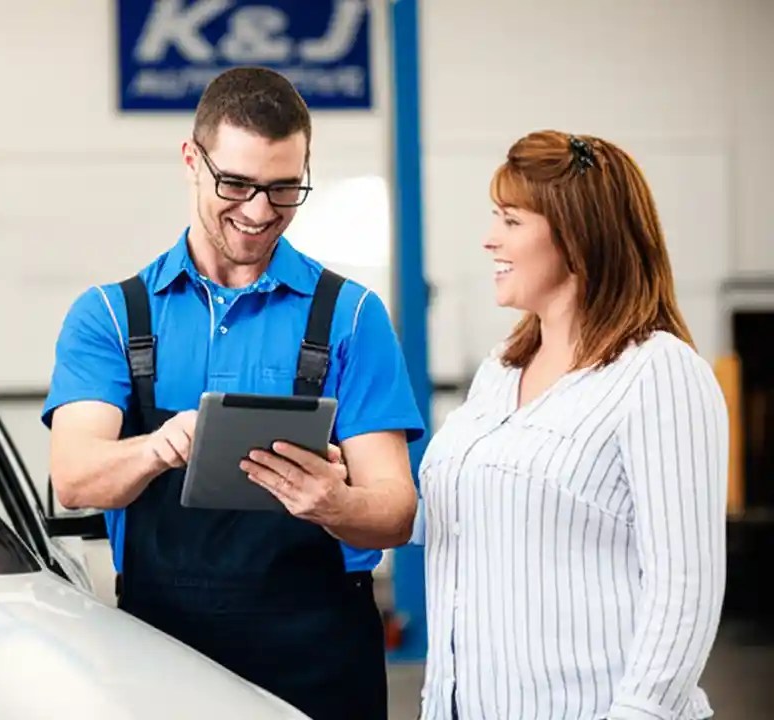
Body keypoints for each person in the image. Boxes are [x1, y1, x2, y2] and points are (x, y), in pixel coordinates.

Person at [40, 66, 426, 720]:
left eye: (283, 189)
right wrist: (158, 448)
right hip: (164, 651)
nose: (258, 212)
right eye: (237, 185)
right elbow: (75, 479)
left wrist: (334, 502)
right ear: (192, 160)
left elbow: (394, 510)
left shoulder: (350, 318)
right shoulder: (111, 316)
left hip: (319, 656)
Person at [416, 130, 728, 720]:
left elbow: (685, 583)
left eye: (510, 221)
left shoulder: (657, 373)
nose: (489, 240)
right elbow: (461, 513)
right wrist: (342, 499)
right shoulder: (501, 370)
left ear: (577, 237)